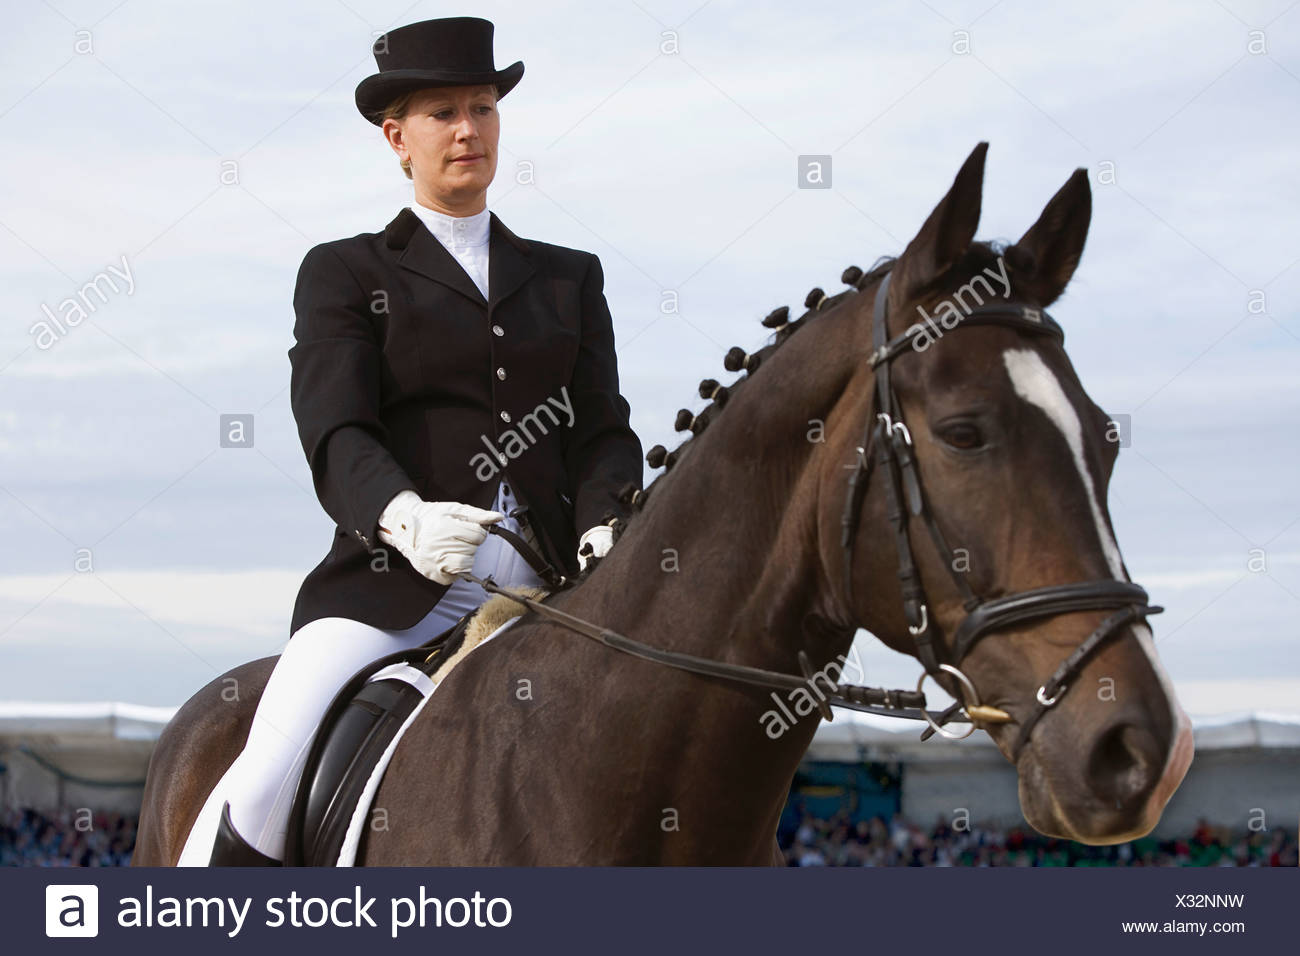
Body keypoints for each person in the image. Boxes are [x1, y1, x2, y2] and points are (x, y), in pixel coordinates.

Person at [183, 16, 643, 866]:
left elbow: (602, 427)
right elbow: (335, 428)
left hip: (550, 583)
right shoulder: (347, 272)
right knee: (265, 777)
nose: (468, 129)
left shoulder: (569, 276)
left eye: (482, 106)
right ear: (397, 138)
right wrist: (403, 517)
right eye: (442, 113)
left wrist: (606, 517)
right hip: (393, 589)